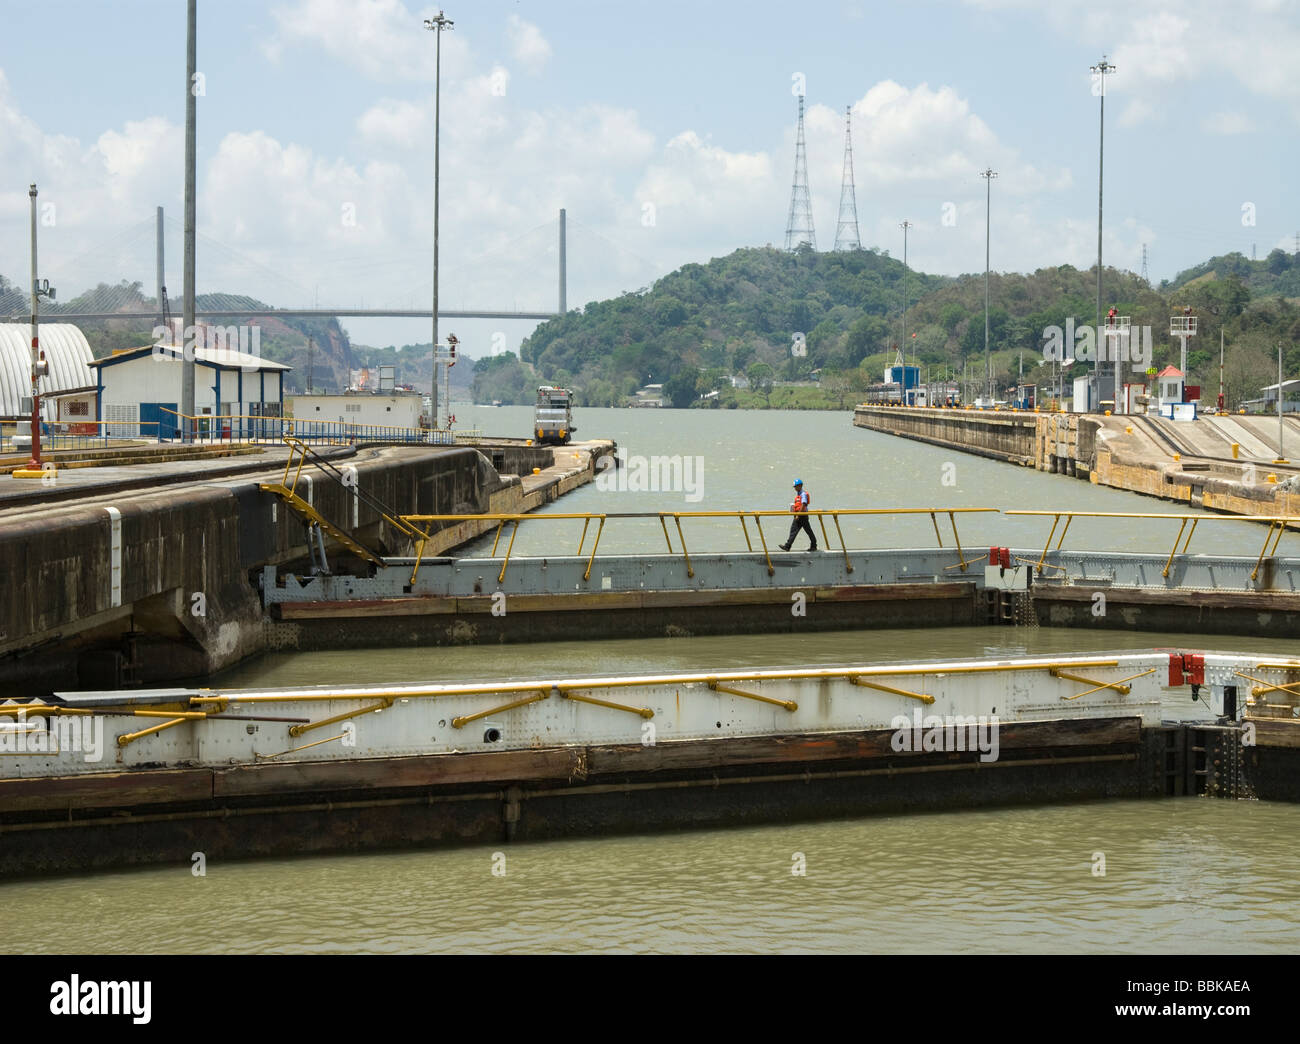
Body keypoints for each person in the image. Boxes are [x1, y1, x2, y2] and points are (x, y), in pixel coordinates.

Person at [779, 479, 817, 551]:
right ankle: (813, 545)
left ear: (800, 486)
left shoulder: (803, 494)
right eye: (794, 487)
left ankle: (788, 546)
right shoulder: (799, 494)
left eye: (796, 486)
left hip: (802, 515)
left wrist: (798, 515)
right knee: (802, 530)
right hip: (800, 515)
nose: (795, 488)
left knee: (801, 530)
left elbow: (804, 504)